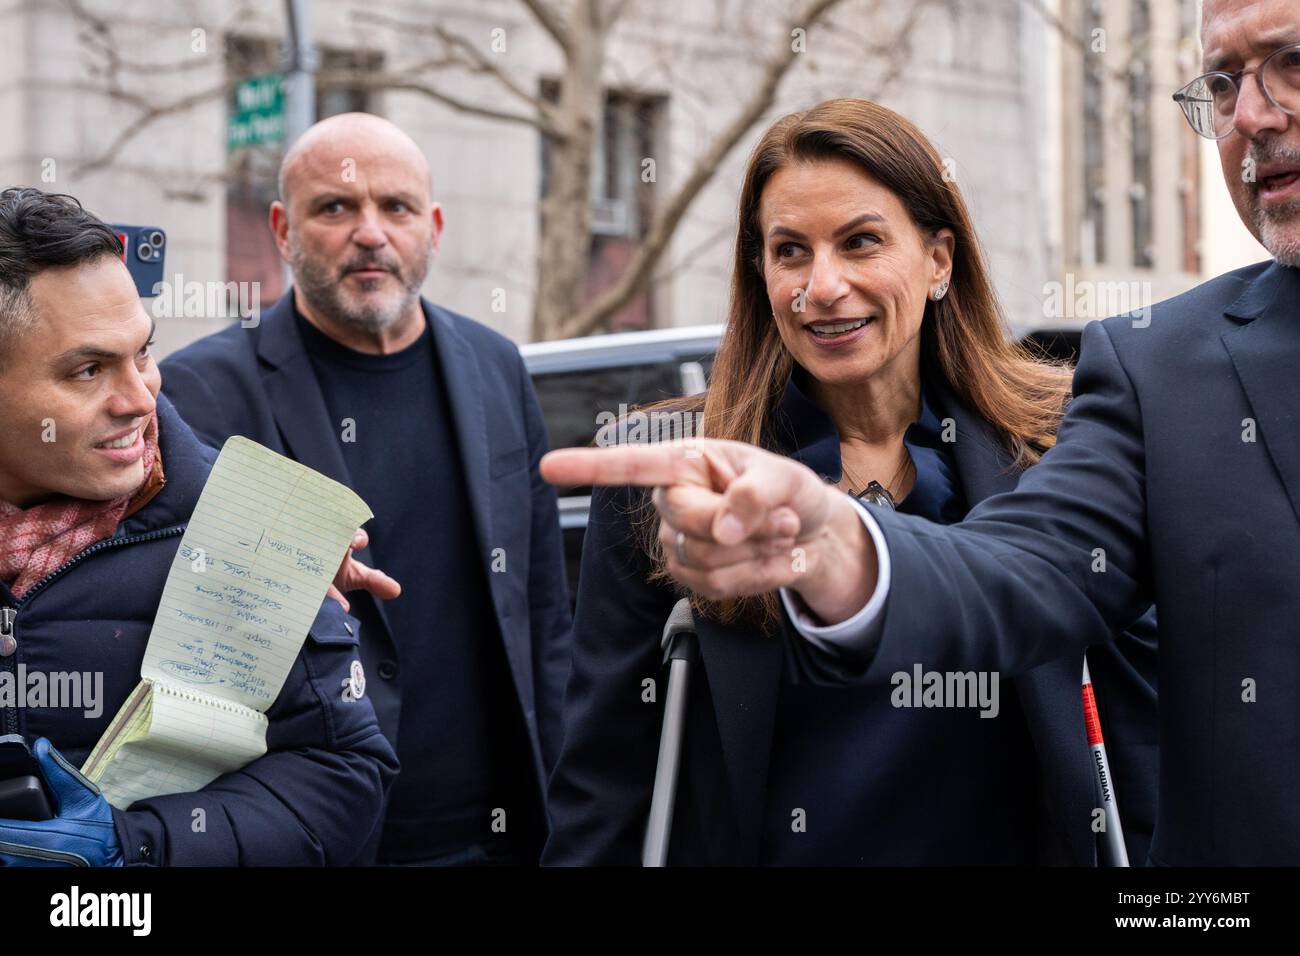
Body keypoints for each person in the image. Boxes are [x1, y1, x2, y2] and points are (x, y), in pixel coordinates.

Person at [540, 0, 1300, 865]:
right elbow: (606, 782)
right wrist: (833, 541)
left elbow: (1136, 732)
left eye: (861, 242)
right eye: (789, 251)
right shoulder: (686, 472)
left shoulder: (1061, 434)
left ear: (939, 260)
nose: (821, 286)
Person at [160, 113, 571, 865]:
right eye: (335, 207)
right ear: (283, 228)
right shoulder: (202, 393)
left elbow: (542, 611)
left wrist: (563, 796)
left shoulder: (495, 366)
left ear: (434, 226)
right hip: (319, 834)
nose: (371, 233)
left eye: (397, 207)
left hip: (501, 832)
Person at [0, 186, 397, 866]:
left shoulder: (255, 527)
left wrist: (141, 846)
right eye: (89, 370)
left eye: (143, 354)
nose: (138, 398)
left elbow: (342, 777)